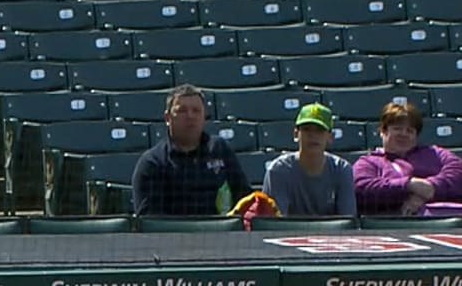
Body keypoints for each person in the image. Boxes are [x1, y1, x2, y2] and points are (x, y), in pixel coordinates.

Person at [132, 85, 251, 216]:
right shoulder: (152, 163)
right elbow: (150, 222)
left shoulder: (220, 150)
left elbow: (245, 201)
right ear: (167, 118)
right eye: (182, 111)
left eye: (196, 110)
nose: (190, 116)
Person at [353, 101, 462, 217]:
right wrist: (409, 185)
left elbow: (461, 173)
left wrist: (431, 188)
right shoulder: (368, 162)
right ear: (383, 131)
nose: (403, 134)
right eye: (397, 128)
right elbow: (361, 187)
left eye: (410, 130)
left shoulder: (436, 154)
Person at [262, 103, 357, 217]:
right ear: (296, 134)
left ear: (330, 137)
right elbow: (276, 223)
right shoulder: (278, 171)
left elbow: (347, 221)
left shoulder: (342, 170)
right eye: (307, 129)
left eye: (319, 130)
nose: (313, 135)